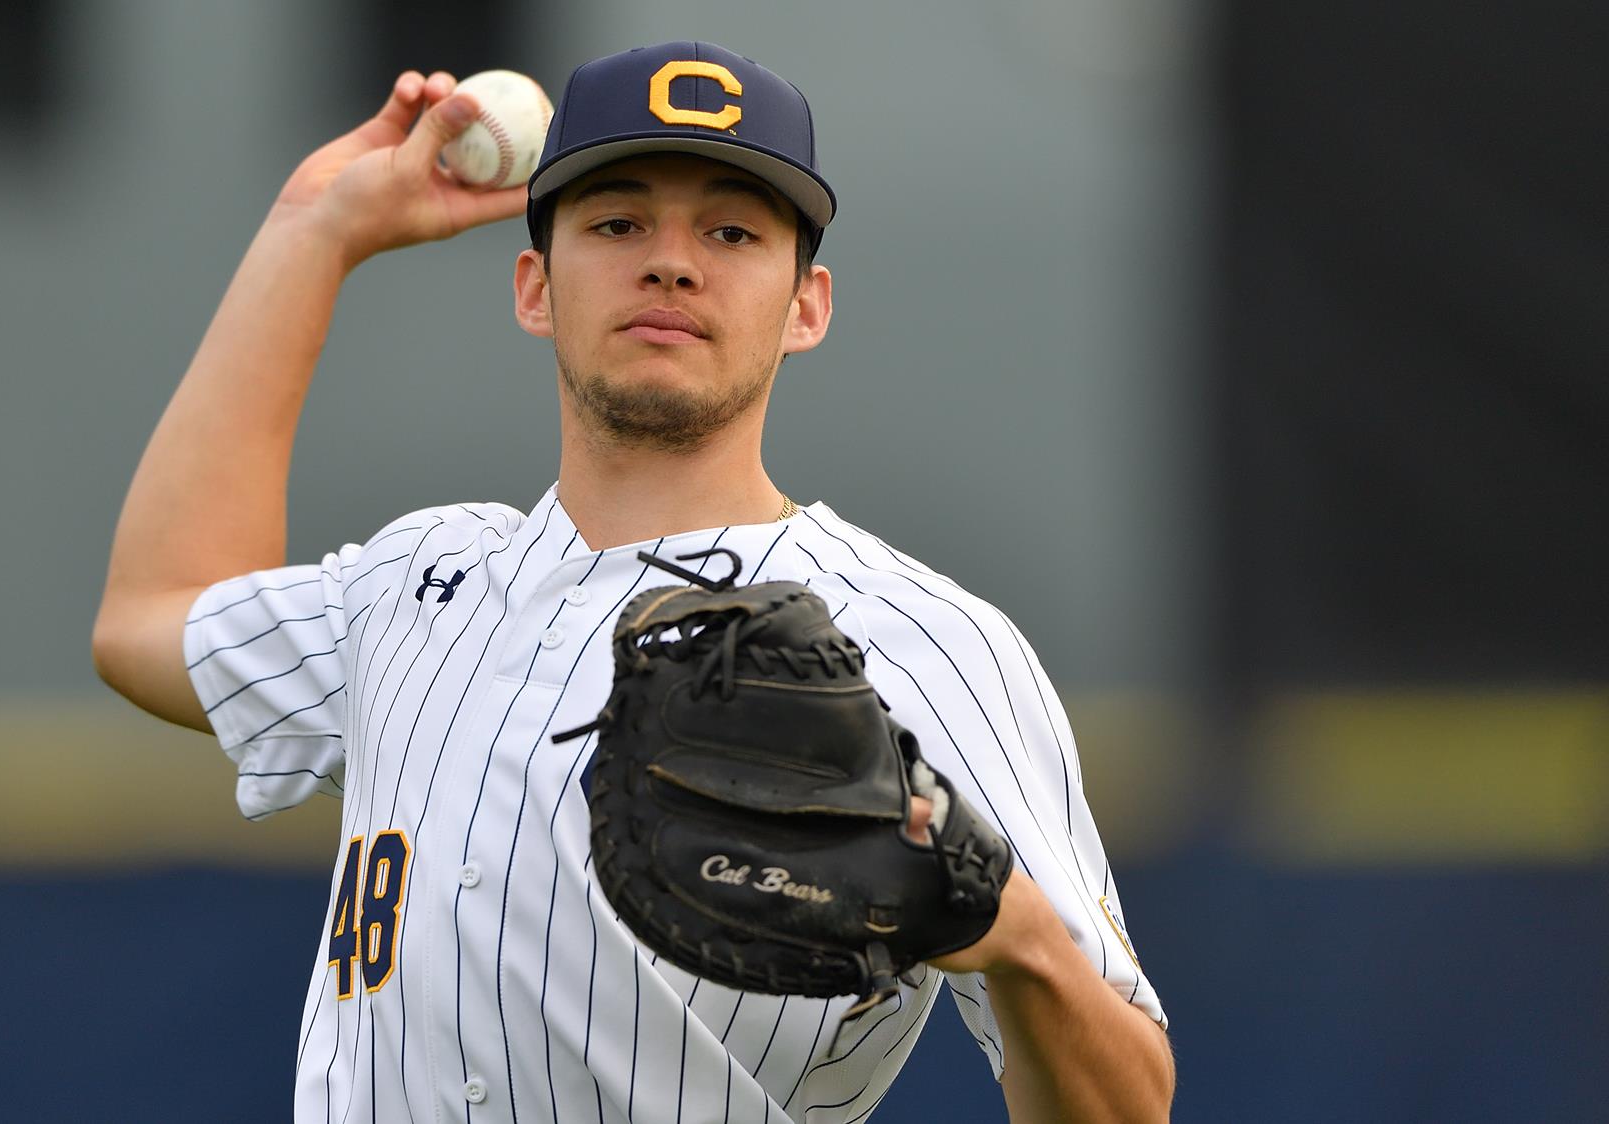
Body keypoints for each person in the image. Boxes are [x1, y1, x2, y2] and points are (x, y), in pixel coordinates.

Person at [93, 40, 1171, 1123]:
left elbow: (1130, 1105)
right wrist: (311, 234)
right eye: (616, 223)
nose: (669, 262)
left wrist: (1017, 935)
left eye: (732, 231)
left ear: (807, 306)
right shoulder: (416, 585)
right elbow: (148, 615)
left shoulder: (919, 640)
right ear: (534, 287)